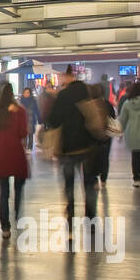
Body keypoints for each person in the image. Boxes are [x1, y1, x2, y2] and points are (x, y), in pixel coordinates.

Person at [46, 65, 99, 230]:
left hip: (68, 147)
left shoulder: (62, 96)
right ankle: (90, 216)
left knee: (69, 183)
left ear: (66, 79)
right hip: (87, 146)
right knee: (89, 183)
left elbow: (53, 121)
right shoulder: (87, 94)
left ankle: (70, 214)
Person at [0, 82, 29, 239]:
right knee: (18, 189)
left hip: (0, 156)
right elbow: (23, 132)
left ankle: (5, 227)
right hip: (16, 154)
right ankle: (17, 215)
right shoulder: (20, 110)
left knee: (3, 192)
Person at [88, 82, 115, 187]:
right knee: (105, 156)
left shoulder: (88, 106)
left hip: (92, 135)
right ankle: (103, 178)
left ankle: (94, 179)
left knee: (92, 156)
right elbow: (112, 118)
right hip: (106, 135)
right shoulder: (107, 104)